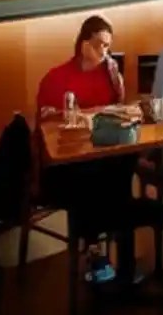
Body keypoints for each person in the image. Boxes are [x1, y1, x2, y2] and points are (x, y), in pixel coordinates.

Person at [38, 16, 153, 285]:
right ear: (83, 44)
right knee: (107, 180)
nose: (105, 52)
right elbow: (47, 129)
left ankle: (115, 259)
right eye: (100, 45)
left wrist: (120, 90)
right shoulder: (57, 78)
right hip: (65, 168)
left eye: (108, 46)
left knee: (123, 165)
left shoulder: (109, 75)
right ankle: (97, 250)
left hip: (101, 160)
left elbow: (116, 113)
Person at [38, 15, 125, 111]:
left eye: (106, 46)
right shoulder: (55, 78)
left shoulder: (112, 76)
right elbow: (46, 119)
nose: (102, 52)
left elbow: (118, 111)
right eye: (96, 45)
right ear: (83, 43)